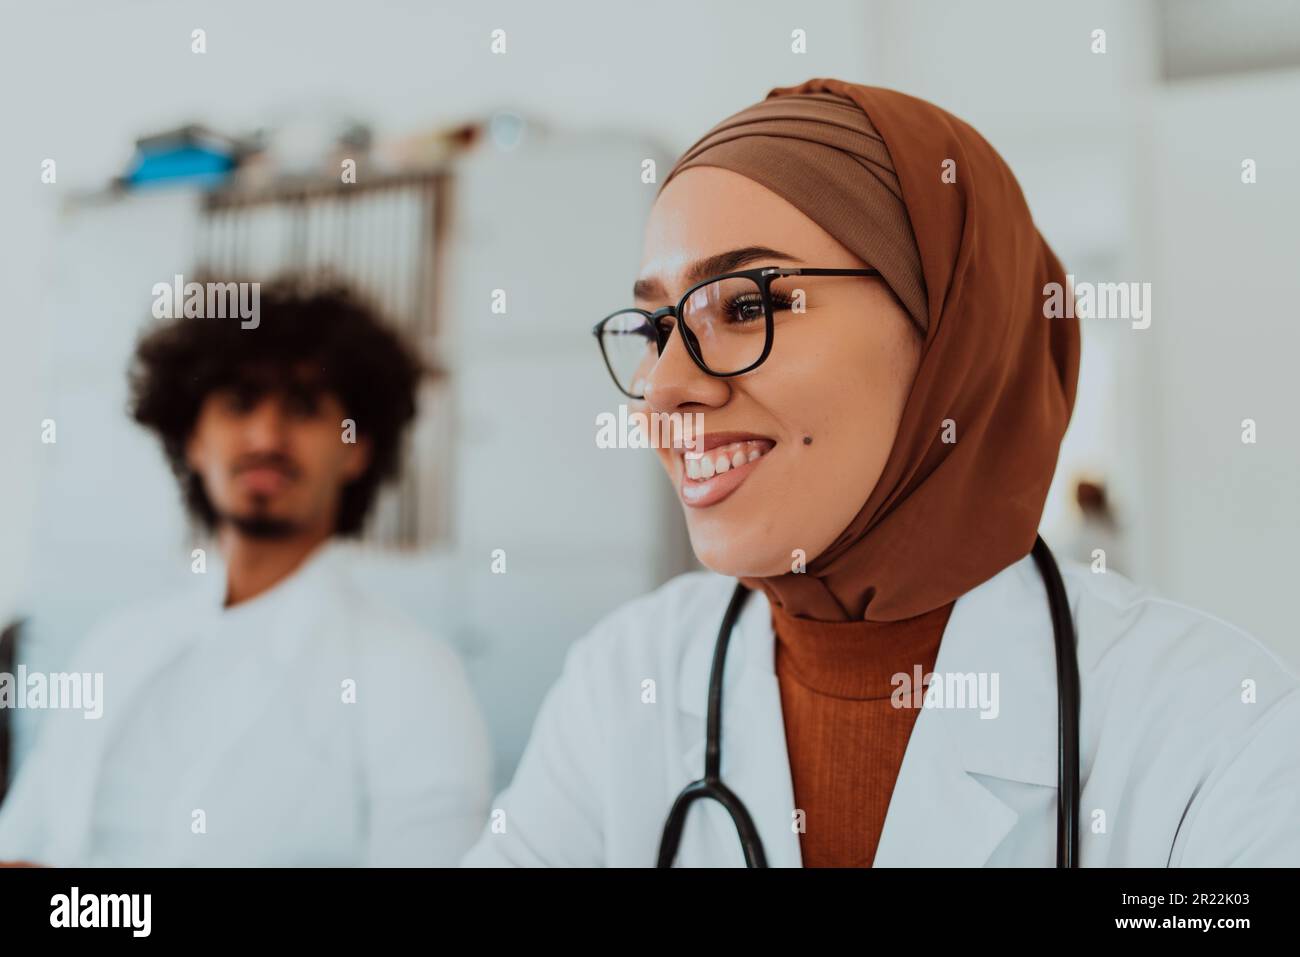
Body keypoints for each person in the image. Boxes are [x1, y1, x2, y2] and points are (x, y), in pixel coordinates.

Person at [461, 79, 1300, 867]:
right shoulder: (622, 678)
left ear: (950, 334)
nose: (666, 389)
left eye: (747, 305)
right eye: (654, 328)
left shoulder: (1219, 729)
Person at [0, 278, 490, 866]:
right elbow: (24, 844)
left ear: (356, 448)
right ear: (194, 441)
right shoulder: (115, 647)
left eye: (304, 409)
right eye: (239, 404)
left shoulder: (413, 677)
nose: (267, 437)